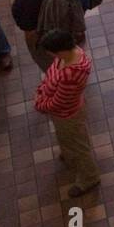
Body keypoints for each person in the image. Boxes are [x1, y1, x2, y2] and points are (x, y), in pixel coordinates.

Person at [34, 28, 100, 198]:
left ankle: (89, 177)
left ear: (61, 50)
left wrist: (40, 104)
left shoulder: (72, 73)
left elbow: (60, 101)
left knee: (78, 145)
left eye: (52, 52)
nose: (50, 55)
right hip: (64, 113)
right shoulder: (71, 54)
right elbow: (51, 74)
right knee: (69, 138)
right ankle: (68, 153)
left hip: (67, 114)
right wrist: (43, 89)